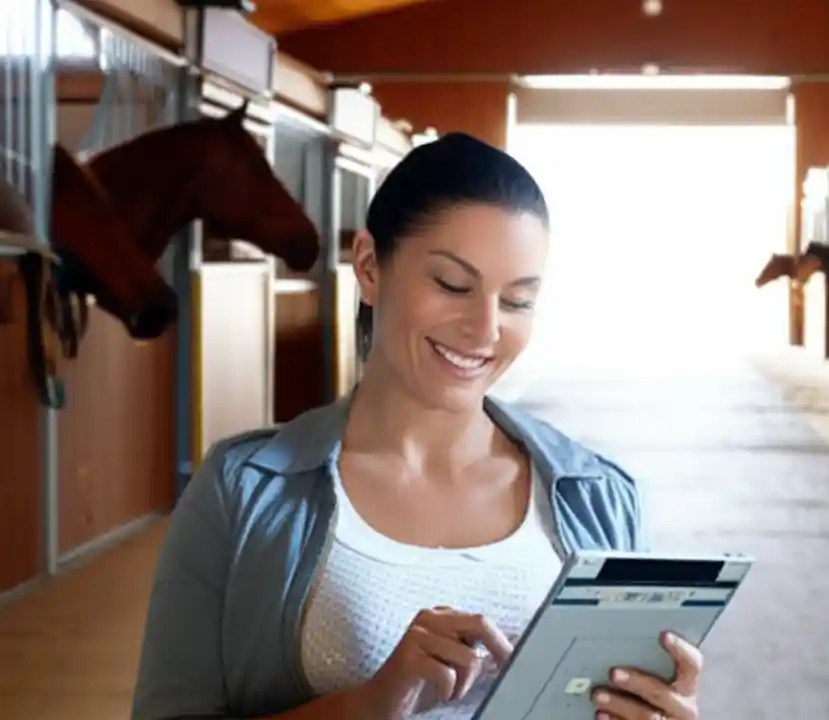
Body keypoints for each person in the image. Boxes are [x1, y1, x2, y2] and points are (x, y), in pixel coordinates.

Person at [131, 133, 703, 720]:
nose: (485, 330)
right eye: (453, 285)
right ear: (370, 266)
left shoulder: (602, 496)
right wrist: (366, 707)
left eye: (517, 301)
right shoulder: (242, 491)